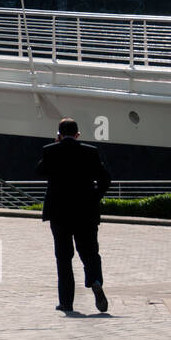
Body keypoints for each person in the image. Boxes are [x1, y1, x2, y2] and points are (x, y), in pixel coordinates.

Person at [35, 117, 112, 314]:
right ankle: (95, 281)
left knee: (63, 258)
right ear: (78, 134)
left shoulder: (50, 150)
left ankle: (66, 302)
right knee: (90, 253)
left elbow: (39, 171)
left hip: (59, 214)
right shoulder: (91, 152)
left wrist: (56, 145)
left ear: (59, 135)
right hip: (86, 213)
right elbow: (105, 180)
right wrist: (94, 197)